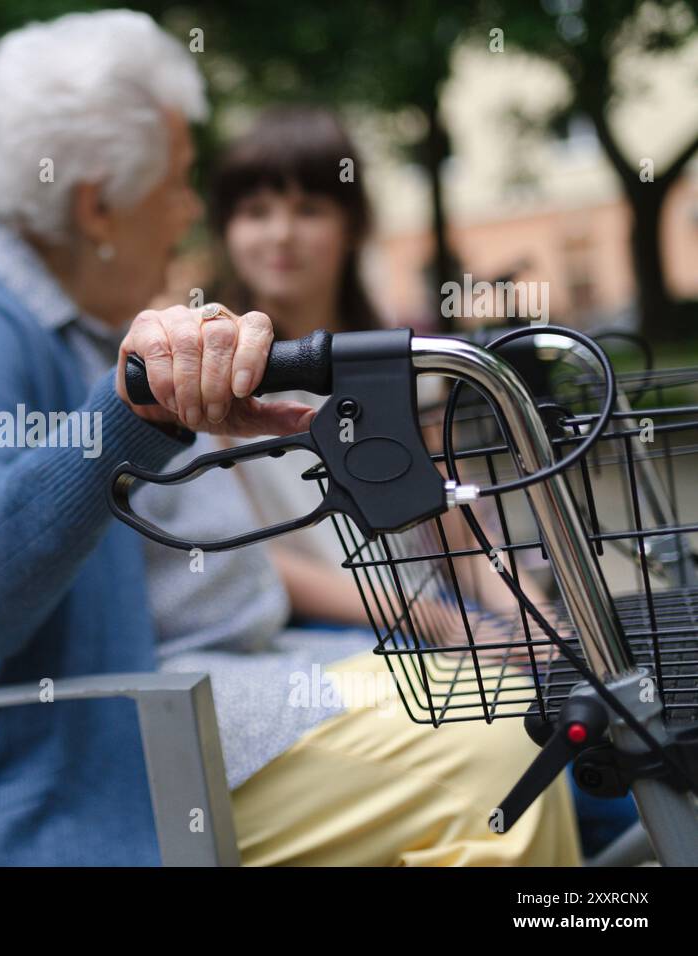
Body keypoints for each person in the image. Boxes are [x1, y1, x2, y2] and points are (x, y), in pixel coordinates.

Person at [0, 10, 580, 866]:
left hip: (242, 668)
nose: (183, 215)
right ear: (96, 205)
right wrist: (133, 417)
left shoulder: (72, 314)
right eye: (177, 183)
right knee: (499, 758)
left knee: (544, 715)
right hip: (102, 752)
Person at [209, 104, 636, 858]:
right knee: (558, 765)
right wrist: (438, 623)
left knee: (608, 734)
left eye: (308, 207)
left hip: (430, 614)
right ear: (227, 227)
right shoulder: (219, 372)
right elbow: (257, 560)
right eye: (255, 210)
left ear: (350, 224)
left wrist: (532, 618)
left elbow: (460, 521)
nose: (280, 233)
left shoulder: (401, 358)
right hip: (317, 638)